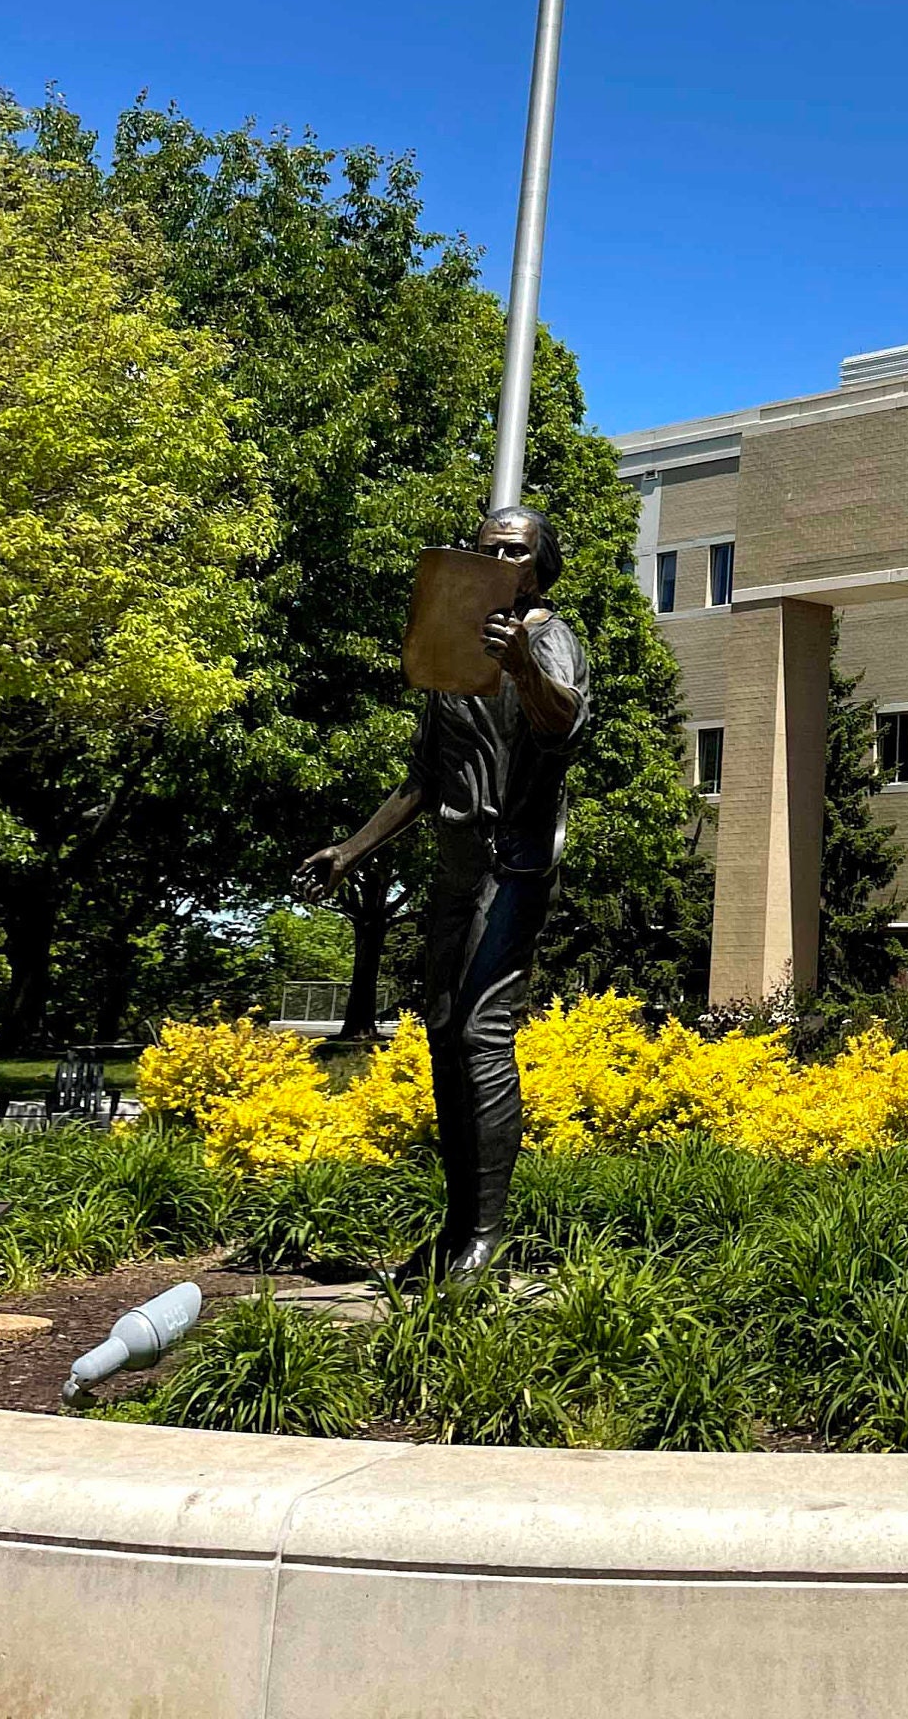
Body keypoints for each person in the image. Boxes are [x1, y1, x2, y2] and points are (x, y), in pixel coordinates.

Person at [295, 503, 589, 1277]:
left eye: (514, 551)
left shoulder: (552, 640)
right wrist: (351, 850)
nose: (499, 557)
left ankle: (485, 1238)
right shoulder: (452, 649)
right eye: (488, 547)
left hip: (517, 862)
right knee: (442, 1034)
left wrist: (522, 663)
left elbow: (562, 725)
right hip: (457, 865)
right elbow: (427, 774)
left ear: (537, 566)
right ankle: (456, 1233)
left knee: (481, 1036)